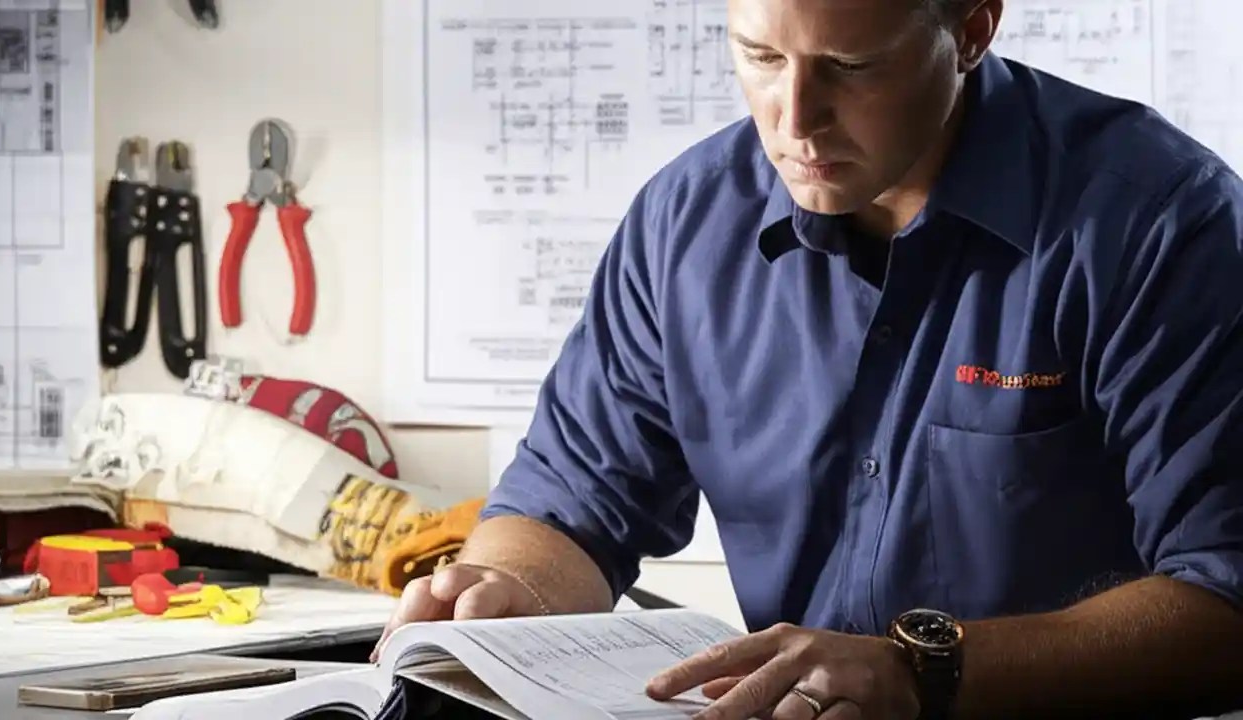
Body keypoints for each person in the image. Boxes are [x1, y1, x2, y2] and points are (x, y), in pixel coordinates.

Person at [378, 0, 1243, 717]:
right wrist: (508, 594)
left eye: (851, 67)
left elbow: (1226, 600)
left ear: (973, 29)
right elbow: (571, 506)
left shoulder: (1161, 227)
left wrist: (920, 672)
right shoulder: (684, 226)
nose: (794, 120)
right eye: (759, 55)